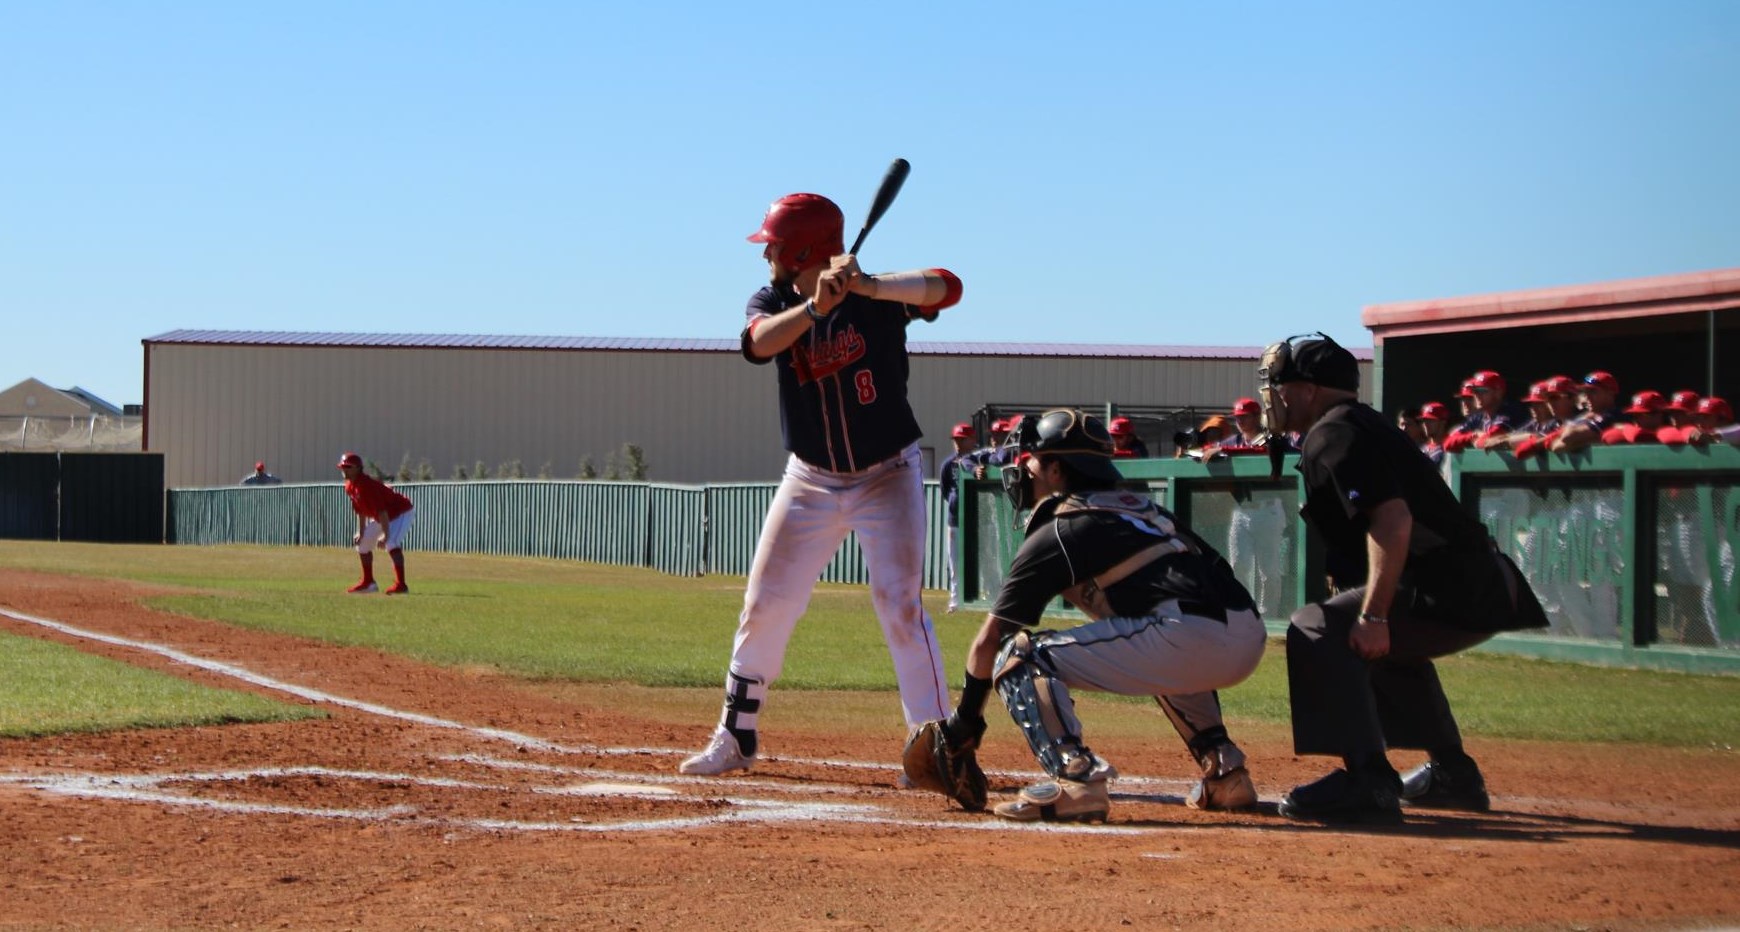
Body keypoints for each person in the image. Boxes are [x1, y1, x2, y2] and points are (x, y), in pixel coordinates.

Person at [679, 191, 963, 776]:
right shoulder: (773, 300)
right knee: (766, 603)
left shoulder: (876, 297)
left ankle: (934, 746)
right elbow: (757, 343)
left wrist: (869, 286)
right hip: (810, 477)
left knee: (900, 606)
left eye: (776, 246)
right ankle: (736, 737)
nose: (767, 256)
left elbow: (948, 287)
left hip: (888, 473)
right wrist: (813, 309)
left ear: (804, 250)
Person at [905, 409, 1265, 822]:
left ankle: (1077, 779)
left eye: (1033, 459)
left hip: (1186, 633)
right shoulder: (1143, 509)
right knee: (1163, 647)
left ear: (1056, 470)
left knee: (1021, 656)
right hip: (1245, 630)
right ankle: (1226, 773)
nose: (1023, 468)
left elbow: (990, 640)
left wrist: (964, 723)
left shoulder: (1060, 526)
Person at [1255, 333, 1547, 823]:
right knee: (1376, 641)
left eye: (1281, 386)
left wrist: (1372, 614)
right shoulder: (1359, 423)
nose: (1274, 397)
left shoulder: (1334, 431)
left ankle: (1367, 779)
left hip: (1456, 584)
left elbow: (1392, 519)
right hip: (1476, 582)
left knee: (1316, 627)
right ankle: (1452, 774)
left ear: (1309, 389)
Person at [336, 451, 415, 594]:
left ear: (358, 468)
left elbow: (382, 511)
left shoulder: (367, 486)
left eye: (348, 467)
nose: (344, 470)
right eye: (342, 467)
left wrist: (385, 535)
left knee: (391, 542)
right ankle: (368, 583)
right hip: (383, 516)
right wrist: (361, 532)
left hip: (401, 511)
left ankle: (401, 585)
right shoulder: (350, 486)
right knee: (363, 544)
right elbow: (360, 510)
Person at [938, 422, 979, 613]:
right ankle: (955, 602)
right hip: (955, 519)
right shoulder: (949, 464)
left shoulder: (979, 460)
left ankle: (988, 600)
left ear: (972, 440)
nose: (958, 443)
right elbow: (945, 489)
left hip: (978, 519)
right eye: (956, 440)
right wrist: (955, 502)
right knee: (955, 563)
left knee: (984, 561)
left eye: (962, 439)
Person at [1551, 371, 1623, 453]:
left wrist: (1575, 441)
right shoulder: (1590, 417)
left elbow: (1567, 437)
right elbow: (1555, 446)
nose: (1587, 396)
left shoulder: (1613, 415)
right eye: (1586, 392)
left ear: (1610, 392)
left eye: (1592, 391)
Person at [1417, 401, 1452, 466]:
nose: (1425, 424)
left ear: (1443, 422)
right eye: (1424, 420)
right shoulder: (1422, 449)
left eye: (1431, 420)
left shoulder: (1452, 447)